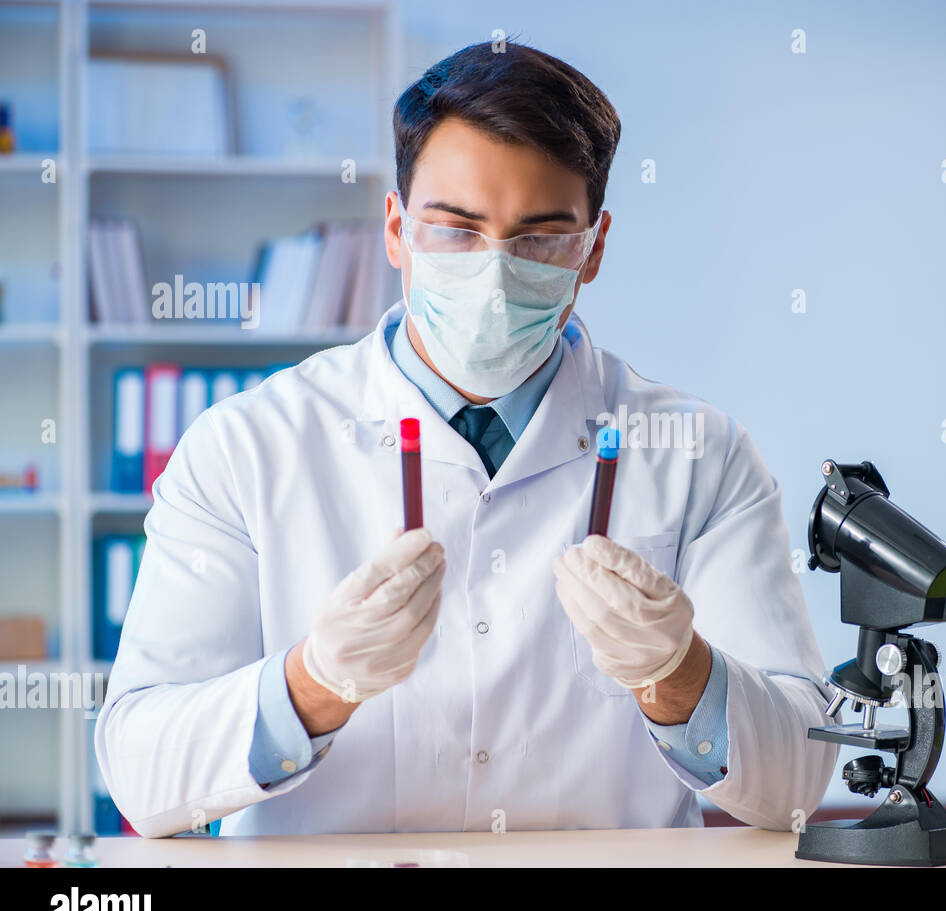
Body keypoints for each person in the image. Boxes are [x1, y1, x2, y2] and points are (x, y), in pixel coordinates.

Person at [96, 41, 837, 838]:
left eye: (541, 239)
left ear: (594, 248)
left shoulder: (700, 454)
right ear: (395, 230)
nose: (495, 274)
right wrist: (312, 684)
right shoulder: (245, 447)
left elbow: (794, 783)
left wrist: (678, 672)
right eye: (454, 231)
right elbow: (141, 773)